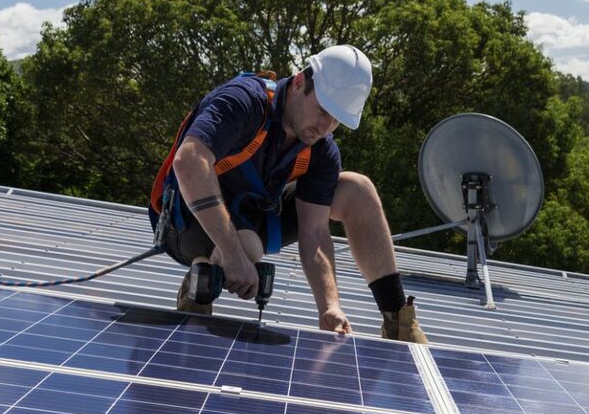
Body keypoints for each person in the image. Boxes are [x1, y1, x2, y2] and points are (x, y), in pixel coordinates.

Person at [148, 45, 428, 343]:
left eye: (336, 119)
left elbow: (316, 233)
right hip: (186, 219)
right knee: (248, 247)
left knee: (356, 189)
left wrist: (329, 306)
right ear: (299, 83)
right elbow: (189, 161)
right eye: (322, 110)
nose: (325, 127)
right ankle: (199, 286)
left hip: (253, 213)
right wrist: (232, 253)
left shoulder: (321, 147)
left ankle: (398, 320)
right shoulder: (243, 101)